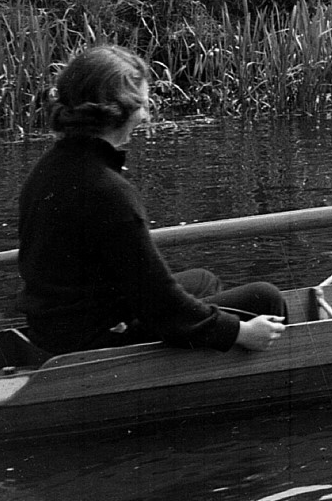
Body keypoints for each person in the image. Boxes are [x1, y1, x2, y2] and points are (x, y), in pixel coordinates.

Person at [15, 45, 286, 357]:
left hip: (54, 328)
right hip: (94, 340)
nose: (145, 115)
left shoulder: (47, 168)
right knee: (264, 299)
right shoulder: (108, 191)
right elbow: (162, 305)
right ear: (120, 112)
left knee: (203, 281)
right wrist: (239, 331)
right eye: (142, 105)